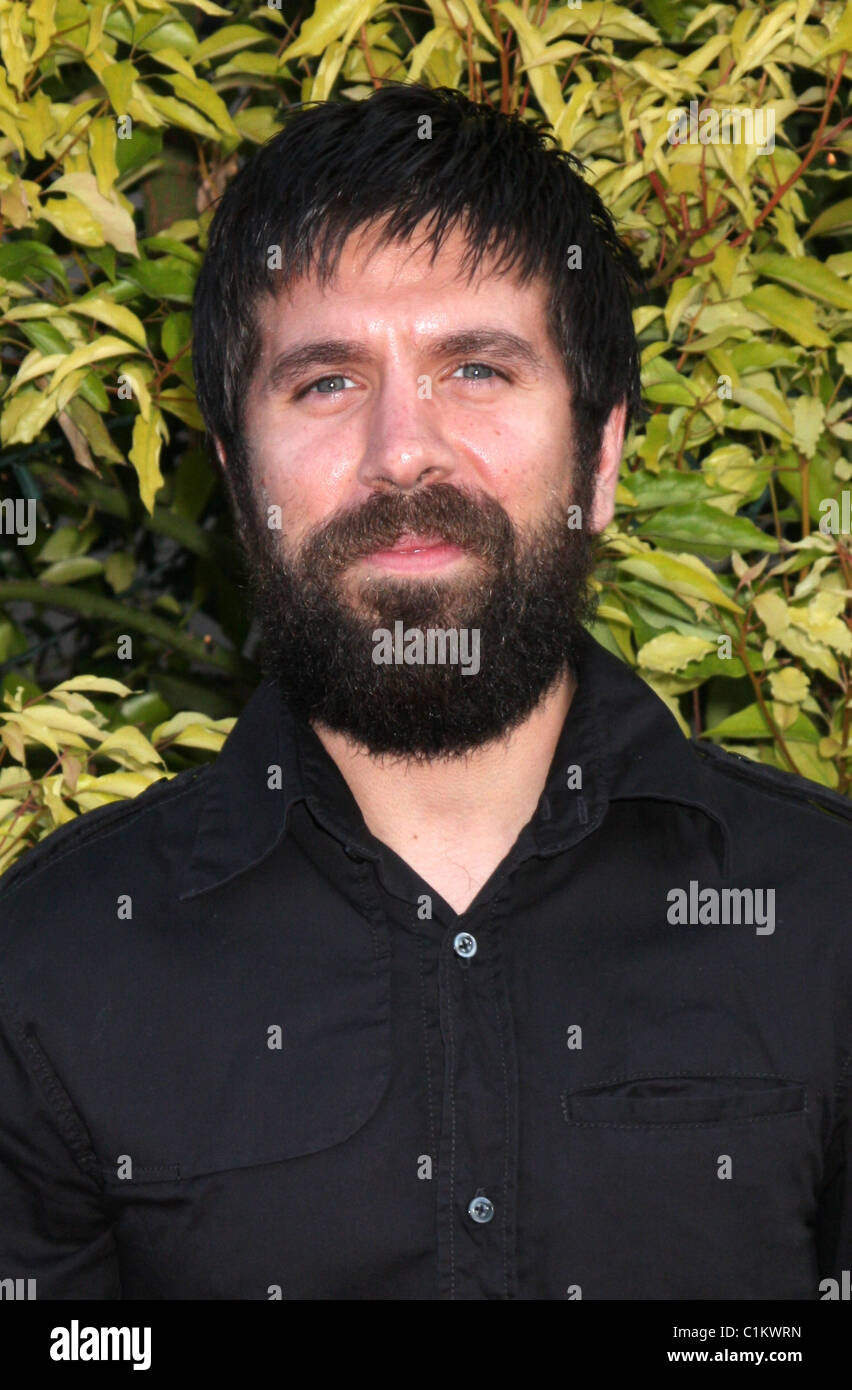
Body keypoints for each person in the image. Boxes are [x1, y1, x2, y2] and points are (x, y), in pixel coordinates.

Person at [0, 84, 849, 1301]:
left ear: (602, 459)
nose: (403, 449)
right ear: (239, 480)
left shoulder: (824, 922)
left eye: (478, 369)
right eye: (326, 383)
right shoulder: (50, 970)